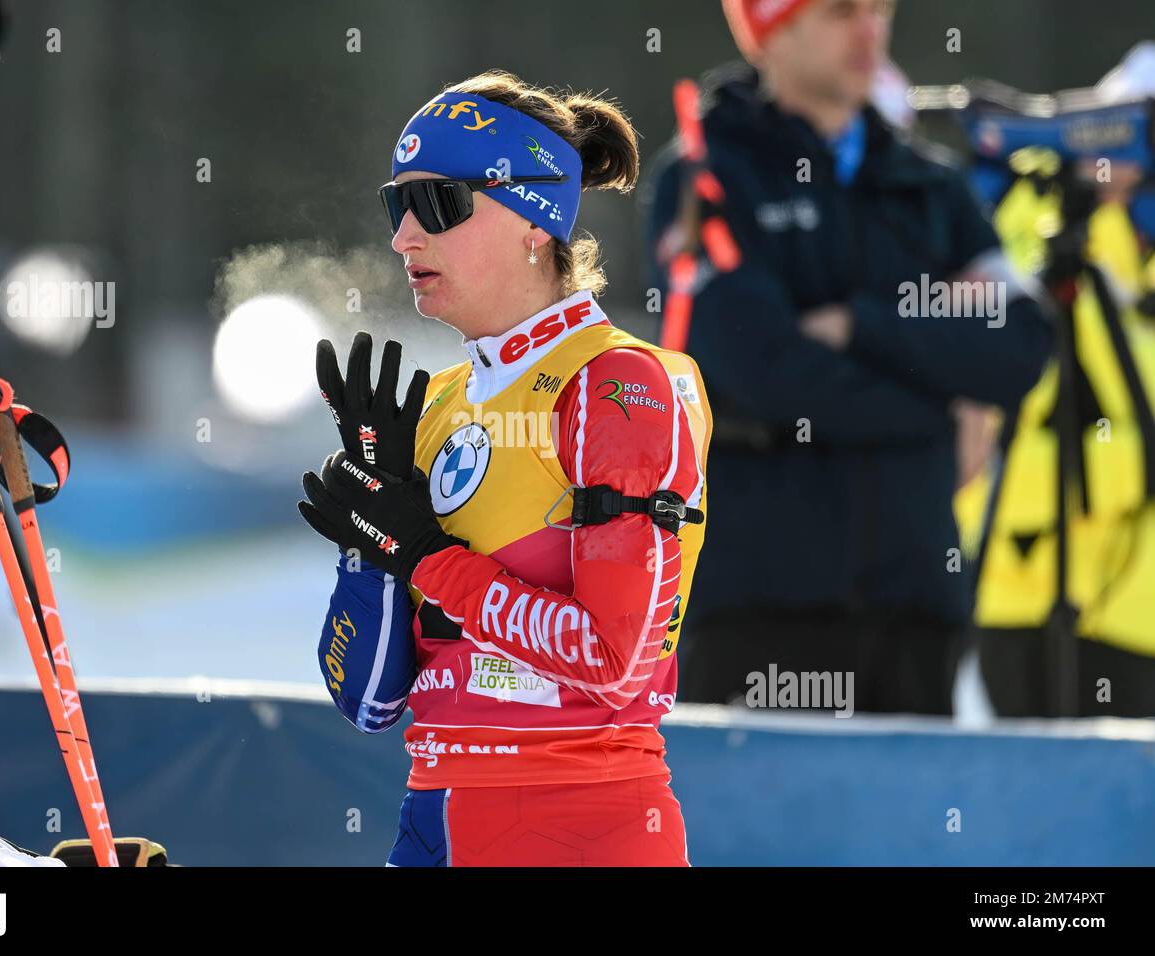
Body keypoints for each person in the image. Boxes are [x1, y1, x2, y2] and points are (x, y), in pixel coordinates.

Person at [299, 70, 712, 866]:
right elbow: (368, 701)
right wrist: (372, 552)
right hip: (435, 817)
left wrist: (424, 554)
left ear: (534, 219)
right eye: (398, 203)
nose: (404, 236)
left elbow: (612, 664)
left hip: (578, 821)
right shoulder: (436, 404)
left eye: (440, 204)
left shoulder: (622, 385)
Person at [642, 0, 1052, 713]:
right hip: (757, 607)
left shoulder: (933, 186)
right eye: (839, 11)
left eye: (878, 9)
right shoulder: (706, 177)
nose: (870, 31)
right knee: (756, 828)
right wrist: (940, 401)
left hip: (915, 610)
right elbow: (758, 371)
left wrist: (860, 327)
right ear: (769, 32)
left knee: (908, 827)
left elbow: (1020, 345)